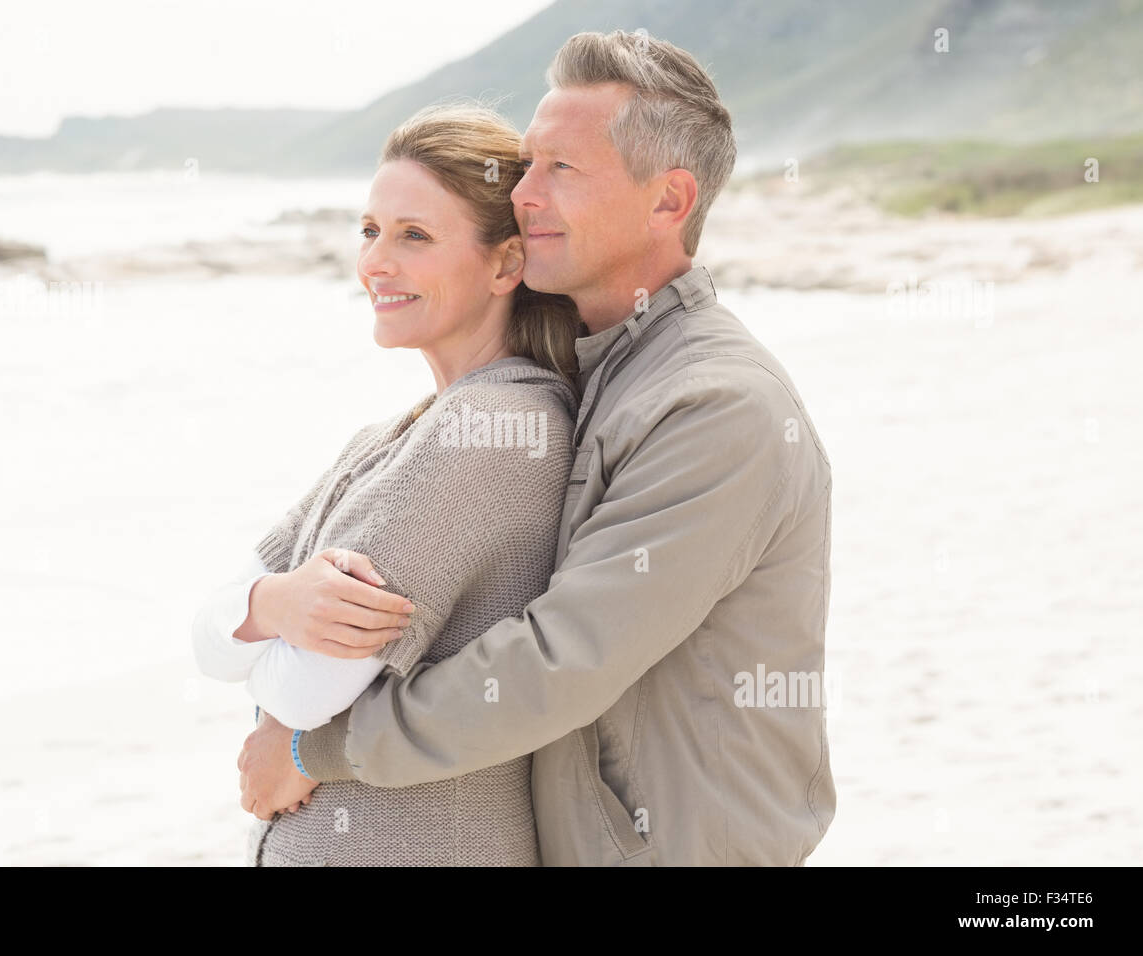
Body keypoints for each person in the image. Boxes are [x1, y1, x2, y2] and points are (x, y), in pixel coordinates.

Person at [238, 29, 837, 866]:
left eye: (561, 168)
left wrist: (315, 749)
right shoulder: (594, 375)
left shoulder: (716, 405)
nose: (523, 194)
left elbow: (560, 661)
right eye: (526, 166)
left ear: (668, 201)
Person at [192, 102, 582, 865]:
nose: (375, 262)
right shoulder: (387, 439)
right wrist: (273, 604)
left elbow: (304, 692)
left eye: (414, 236)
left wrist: (264, 652)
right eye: (370, 231)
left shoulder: (493, 431)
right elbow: (206, 640)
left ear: (506, 264)